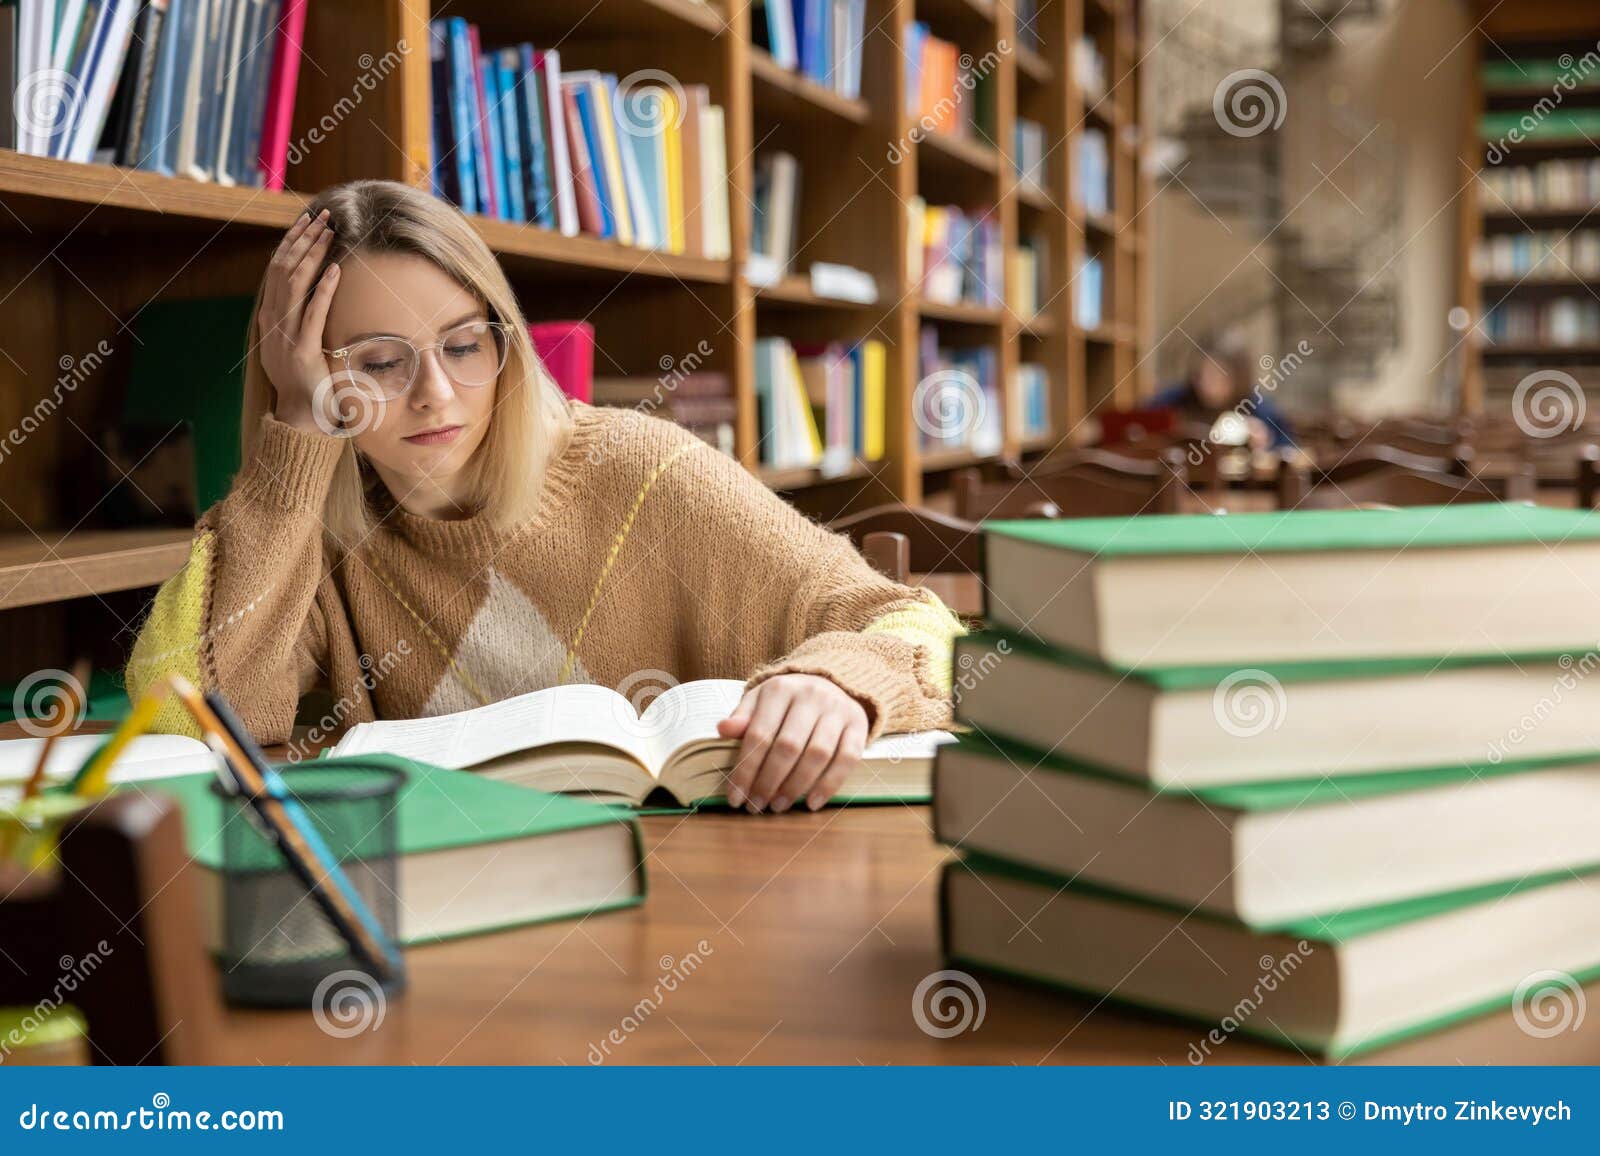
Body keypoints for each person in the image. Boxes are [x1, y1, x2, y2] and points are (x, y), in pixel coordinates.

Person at [126, 180, 964, 815]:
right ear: (310, 372)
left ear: (508, 343)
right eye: (380, 362)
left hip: (705, 900)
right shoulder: (314, 532)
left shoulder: (644, 474)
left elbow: (913, 622)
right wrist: (292, 439)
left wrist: (839, 684)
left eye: (463, 345)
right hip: (456, 921)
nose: (436, 394)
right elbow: (183, 712)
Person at [1148, 336, 1295, 450]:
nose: (1207, 385)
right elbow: (1140, 426)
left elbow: (1289, 450)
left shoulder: (1258, 407)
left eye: (1218, 376)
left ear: (1238, 378)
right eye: (1202, 375)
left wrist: (1265, 443)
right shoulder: (1175, 399)